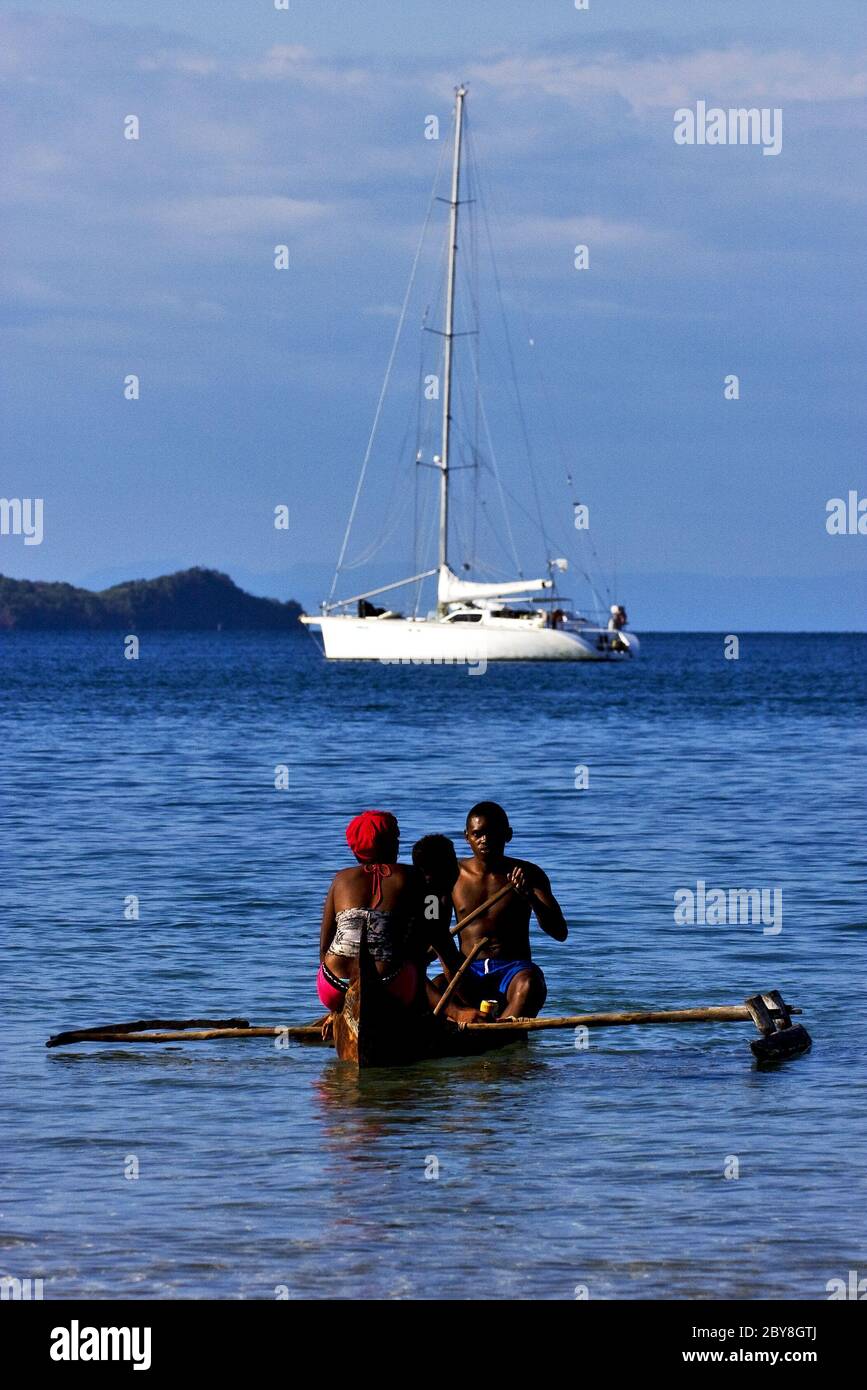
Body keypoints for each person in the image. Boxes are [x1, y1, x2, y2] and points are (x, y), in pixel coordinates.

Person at [452, 801, 567, 1019]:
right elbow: (432, 924)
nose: (485, 840)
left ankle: (501, 1033)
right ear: (467, 837)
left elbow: (560, 932)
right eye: (478, 834)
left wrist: (529, 897)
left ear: (508, 835)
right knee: (432, 986)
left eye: (492, 834)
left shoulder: (528, 874)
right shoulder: (452, 874)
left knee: (530, 984)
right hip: (467, 971)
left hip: (513, 970)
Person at [317, 810, 419, 1015]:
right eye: (396, 838)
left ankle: (336, 1013)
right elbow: (419, 936)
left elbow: (324, 946)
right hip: (389, 986)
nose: (399, 844)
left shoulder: (340, 879)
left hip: (334, 984)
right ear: (389, 843)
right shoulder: (410, 875)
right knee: (413, 964)